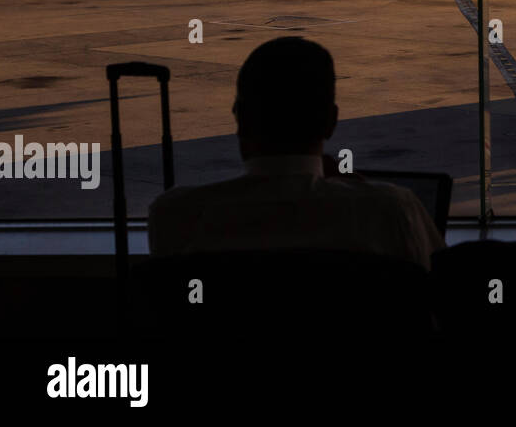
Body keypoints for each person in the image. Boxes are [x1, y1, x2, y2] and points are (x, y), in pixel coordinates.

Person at [148, 36, 444, 268]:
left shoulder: (176, 214)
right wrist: (359, 190)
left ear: (239, 119)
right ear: (331, 122)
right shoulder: (391, 211)